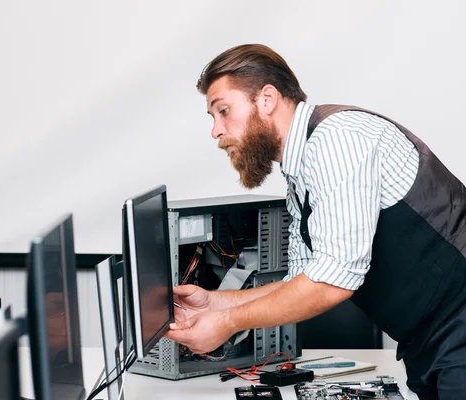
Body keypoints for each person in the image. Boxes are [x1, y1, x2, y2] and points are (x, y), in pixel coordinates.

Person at [164, 44, 466, 400]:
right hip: (429, 341)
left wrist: (227, 323)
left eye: (224, 111)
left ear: (267, 99)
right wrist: (218, 303)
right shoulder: (302, 168)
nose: (216, 131)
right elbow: (303, 278)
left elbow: (332, 282)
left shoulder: (337, 140)